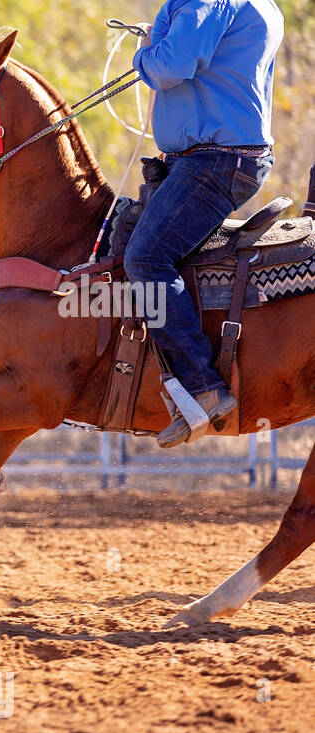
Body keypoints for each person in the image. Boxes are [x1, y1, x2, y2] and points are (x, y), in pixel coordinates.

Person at [125, 0, 284, 447]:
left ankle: (202, 386)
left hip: (213, 161)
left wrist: (145, 53)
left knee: (147, 258)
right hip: (217, 158)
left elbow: (172, 64)